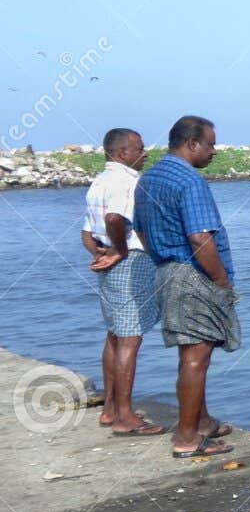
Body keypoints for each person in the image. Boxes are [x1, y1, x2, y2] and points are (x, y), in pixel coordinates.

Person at [132, 115, 240, 459]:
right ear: (191, 143)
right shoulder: (190, 181)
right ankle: (188, 438)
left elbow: (143, 233)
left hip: (167, 271)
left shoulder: (149, 177)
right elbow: (198, 237)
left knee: (191, 354)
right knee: (196, 359)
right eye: (210, 144)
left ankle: (202, 422)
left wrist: (165, 261)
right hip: (193, 275)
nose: (214, 151)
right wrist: (221, 280)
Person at [81, 128, 165, 436]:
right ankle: (125, 417)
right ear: (122, 154)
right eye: (140, 148)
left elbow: (87, 233)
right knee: (130, 338)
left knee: (115, 335)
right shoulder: (126, 182)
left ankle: (110, 409)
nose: (146, 153)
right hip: (132, 264)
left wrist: (100, 254)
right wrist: (120, 250)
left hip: (112, 265)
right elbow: (115, 218)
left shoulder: (99, 182)